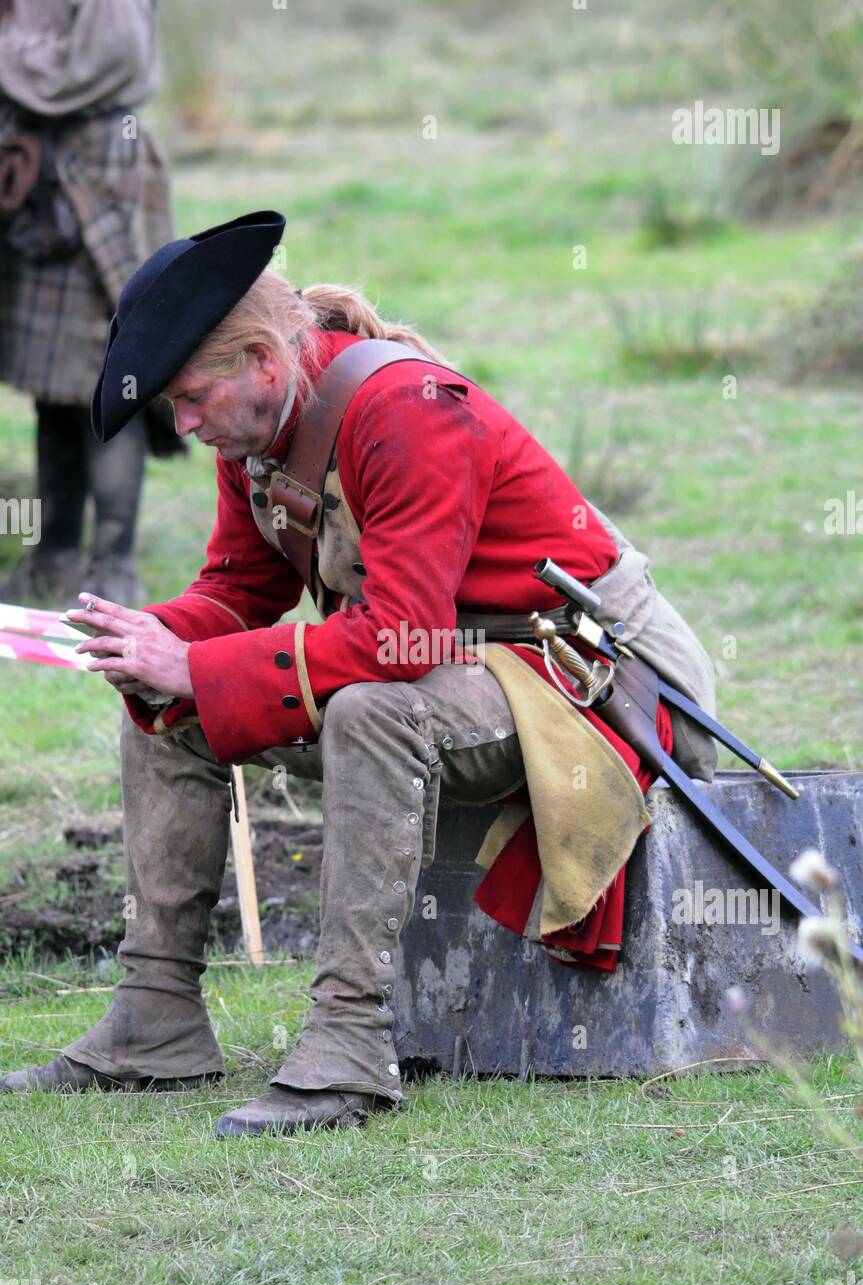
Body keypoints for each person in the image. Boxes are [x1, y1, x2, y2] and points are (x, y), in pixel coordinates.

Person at [0, 210, 716, 1135]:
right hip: (467, 668)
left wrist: (200, 660)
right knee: (168, 699)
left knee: (372, 712)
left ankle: (347, 1038)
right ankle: (154, 1018)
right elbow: (236, 591)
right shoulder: (258, 431)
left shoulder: (405, 414)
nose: (182, 426)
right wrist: (143, 640)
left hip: (604, 684)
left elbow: (402, 636)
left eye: (188, 399)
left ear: (262, 361)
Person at [0, 0, 179, 609]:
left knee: (112, 379)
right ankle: (51, 558)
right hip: (40, 176)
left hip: (98, 173)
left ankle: (113, 567)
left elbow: (107, 58)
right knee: (52, 386)